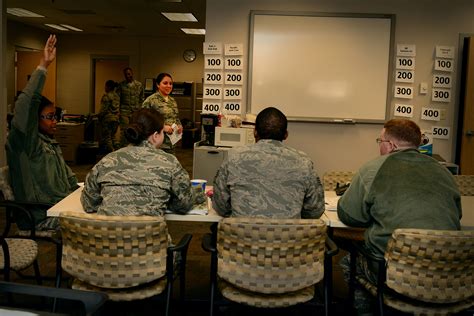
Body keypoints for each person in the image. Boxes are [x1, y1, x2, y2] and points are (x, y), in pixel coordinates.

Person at [337, 118, 462, 314]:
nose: (380, 147)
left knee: (348, 262)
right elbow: (457, 214)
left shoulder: (373, 168)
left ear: (391, 145)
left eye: (380, 142)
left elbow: (350, 216)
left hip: (394, 274)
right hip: (448, 274)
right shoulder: (444, 171)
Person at [6, 35, 79, 230]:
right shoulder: (24, 142)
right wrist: (43, 66)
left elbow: (68, 177)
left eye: (55, 117)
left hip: (60, 204)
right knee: (95, 225)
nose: (54, 122)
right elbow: (25, 106)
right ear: (35, 120)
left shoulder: (49, 142)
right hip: (40, 214)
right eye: (49, 117)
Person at [212, 107, 325, 219]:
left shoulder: (234, 156)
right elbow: (315, 211)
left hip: (242, 235)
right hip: (288, 236)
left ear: (254, 132)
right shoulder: (303, 161)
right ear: (286, 134)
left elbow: (220, 206)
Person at [81, 108, 193, 216]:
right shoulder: (170, 162)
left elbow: (89, 203)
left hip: (108, 233)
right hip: (150, 234)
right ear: (155, 136)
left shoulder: (107, 160)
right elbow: (184, 204)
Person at [142, 73, 183, 154]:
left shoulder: (172, 101)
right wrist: (162, 127)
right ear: (158, 84)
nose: (168, 86)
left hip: (171, 143)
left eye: (171, 83)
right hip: (157, 144)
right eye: (165, 83)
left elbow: (176, 117)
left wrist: (179, 125)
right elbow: (143, 120)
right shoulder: (151, 100)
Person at [117, 67, 144, 147]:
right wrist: (118, 111)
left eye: (129, 74)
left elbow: (141, 98)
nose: (128, 76)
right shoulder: (121, 85)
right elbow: (117, 98)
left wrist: (140, 109)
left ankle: (135, 147)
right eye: (126, 75)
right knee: (124, 130)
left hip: (135, 111)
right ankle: (124, 147)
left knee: (135, 129)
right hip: (124, 111)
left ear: (132, 73)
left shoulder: (139, 85)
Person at [98, 79, 120, 153]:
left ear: (108, 87)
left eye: (106, 86)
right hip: (115, 119)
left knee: (107, 138)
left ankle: (111, 152)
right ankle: (117, 150)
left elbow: (104, 109)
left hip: (107, 119)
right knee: (113, 137)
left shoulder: (107, 96)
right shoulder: (117, 96)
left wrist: (99, 116)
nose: (105, 88)